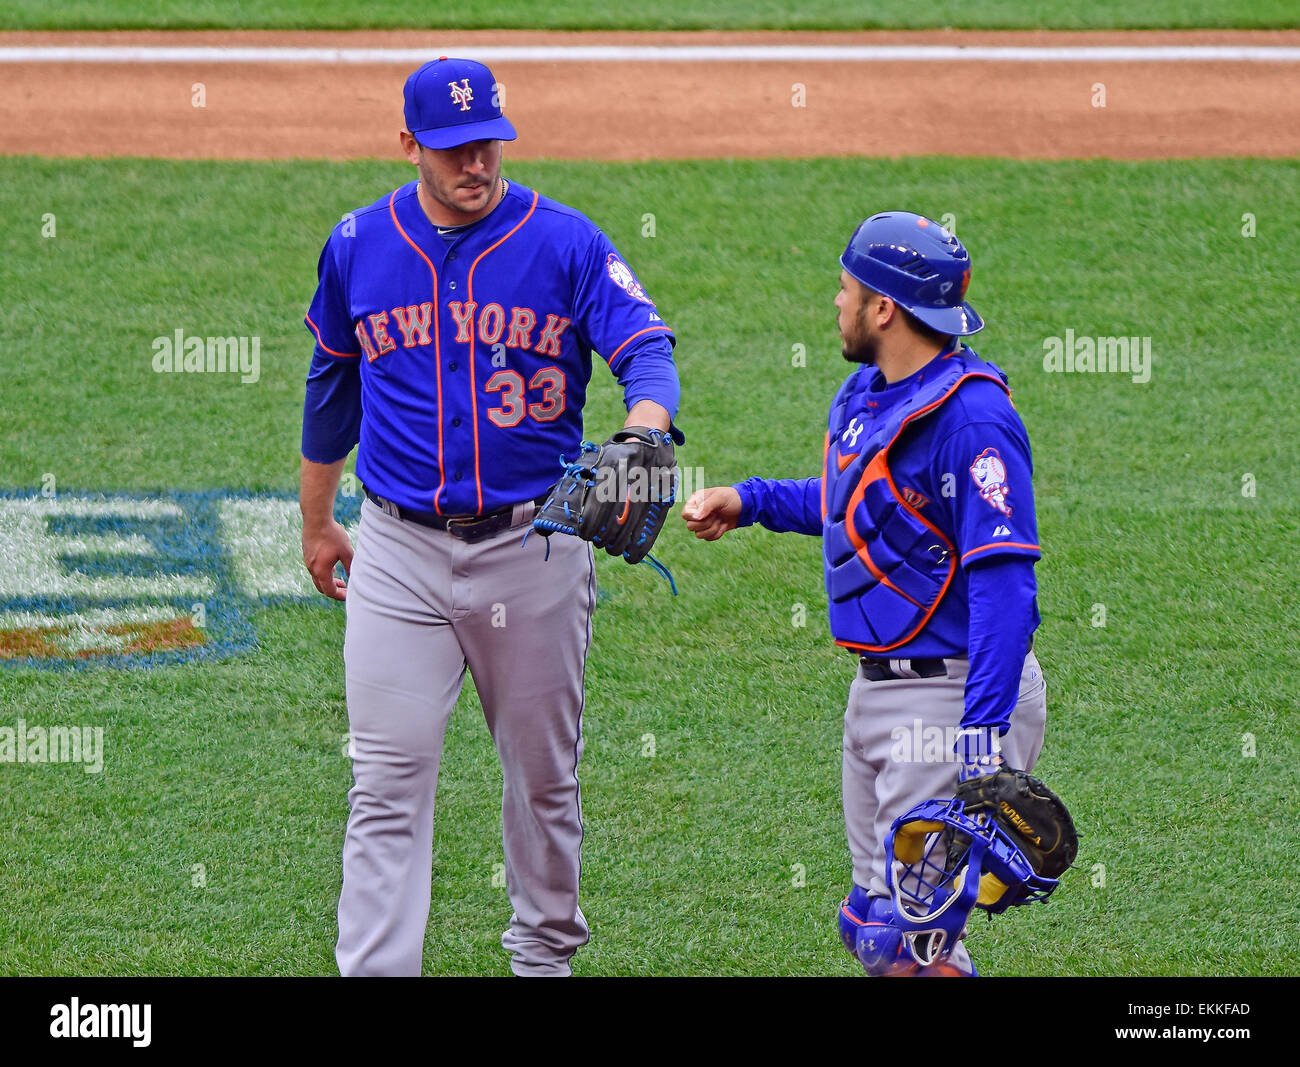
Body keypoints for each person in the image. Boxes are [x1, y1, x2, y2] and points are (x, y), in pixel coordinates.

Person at [299, 56, 682, 977]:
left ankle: (544, 962)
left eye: (488, 143)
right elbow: (330, 391)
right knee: (384, 787)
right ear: (410, 147)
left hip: (532, 549)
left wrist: (644, 427)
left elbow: (648, 350)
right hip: (396, 553)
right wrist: (318, 518)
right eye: (453, 149)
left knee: (542, 783)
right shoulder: (359, 243)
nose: (476, 163)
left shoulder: (567, 242)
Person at [682, 211, 1046, 976]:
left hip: (949, 700)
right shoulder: (872, 395)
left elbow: (1006, 587)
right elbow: (871, 508)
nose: (837, 304)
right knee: (875, 927)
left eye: (846, 289)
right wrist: (749, 501)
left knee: (906, 940)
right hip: (877, 693)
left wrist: (980, 735)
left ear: (885, 307)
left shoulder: (973, 419)